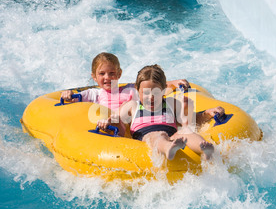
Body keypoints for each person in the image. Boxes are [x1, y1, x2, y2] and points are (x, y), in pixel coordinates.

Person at [98, 64, 225, 161]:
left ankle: (204, 148)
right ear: (137, 90)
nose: (151, 97)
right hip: (147, 138)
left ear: (164, 90)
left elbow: (192, 119)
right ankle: (168, 148)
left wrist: (208, 113)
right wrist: (107, 122)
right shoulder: (132, 106)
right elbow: (115, 118)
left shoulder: (171, 102)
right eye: (146, 93)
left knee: (185, 132)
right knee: (158, 135)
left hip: (172, 135)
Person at [61, 52, 190, 111]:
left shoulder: (130, 89)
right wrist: (68, 93)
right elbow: (73, 98)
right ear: (94, 77)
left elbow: (153, 87)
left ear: (119, 74)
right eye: (102, 74)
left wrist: (173, 83)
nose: (107, 77)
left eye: (112, 73)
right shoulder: (94, 94)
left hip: (134, 128)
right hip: (110, 127)